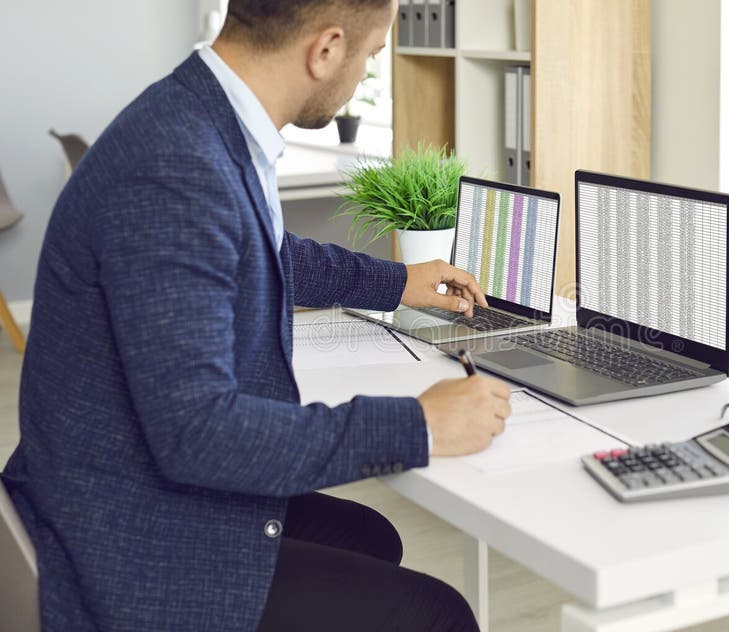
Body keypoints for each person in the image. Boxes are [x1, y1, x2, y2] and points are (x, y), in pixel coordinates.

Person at [0, 0, 513, 629]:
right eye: (370, 56)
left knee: (369, 537)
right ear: (326, 50)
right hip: (118, 545)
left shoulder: (200, 115)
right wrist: (420, 424)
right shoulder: (175, 167)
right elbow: (200, 434)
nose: (362, 76)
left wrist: (398, 281)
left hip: (125, 486)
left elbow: (262, 249)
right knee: (439, 615)